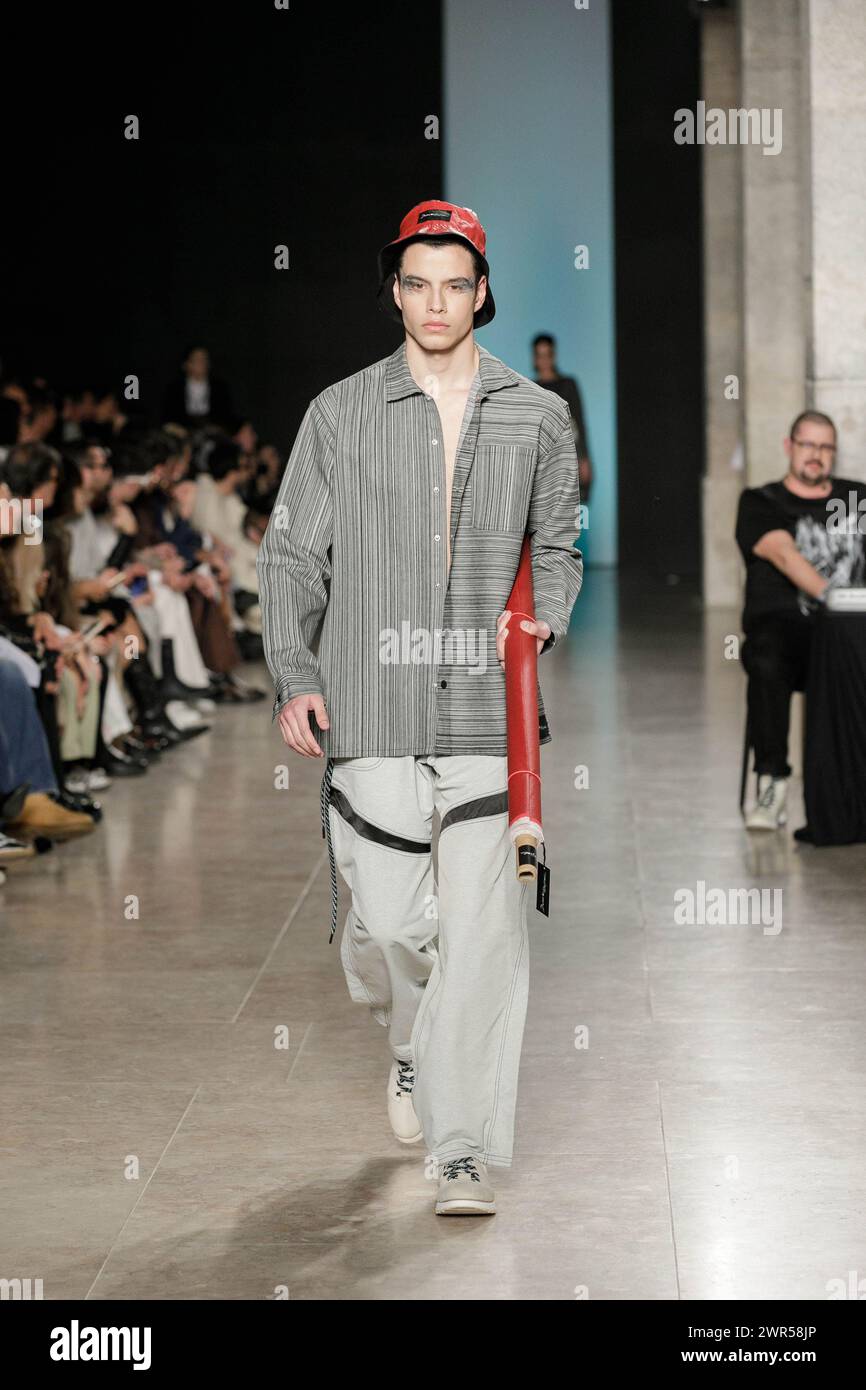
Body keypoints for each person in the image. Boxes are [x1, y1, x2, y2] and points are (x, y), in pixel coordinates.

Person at [257, 199, 583, 1216]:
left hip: (487, 712)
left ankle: (459, 1147)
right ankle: (407, 1041)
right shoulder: (340, 412)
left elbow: (558, 547)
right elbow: (288, 552)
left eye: (454, 283)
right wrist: (293, 670)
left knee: (484, 934)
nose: (435, 302)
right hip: (370, 699)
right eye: (416, 283)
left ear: (480, 290)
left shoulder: (535, 413)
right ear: (394, 291)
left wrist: (544, 625)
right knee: (394, 926)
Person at [735, 410, 866, 830]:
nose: (817, 455)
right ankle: (771, 784)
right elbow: (786, 556)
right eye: (808, 445)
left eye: (826, 447)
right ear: (789, 447)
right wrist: (835, 597)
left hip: (851, 637)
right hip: (789, 633)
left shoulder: (856, 499)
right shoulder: (760, 501)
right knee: (768, 659)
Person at [532, 333, 592, 504]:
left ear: (554, 356)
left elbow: (578, 421)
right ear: (534, 358)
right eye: (539, 355)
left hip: (569, 457)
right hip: (543, 461)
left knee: (573, 514)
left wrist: (584, 458)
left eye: (547, 354)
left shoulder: (568, 384)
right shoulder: (532, 388)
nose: (544, 360)